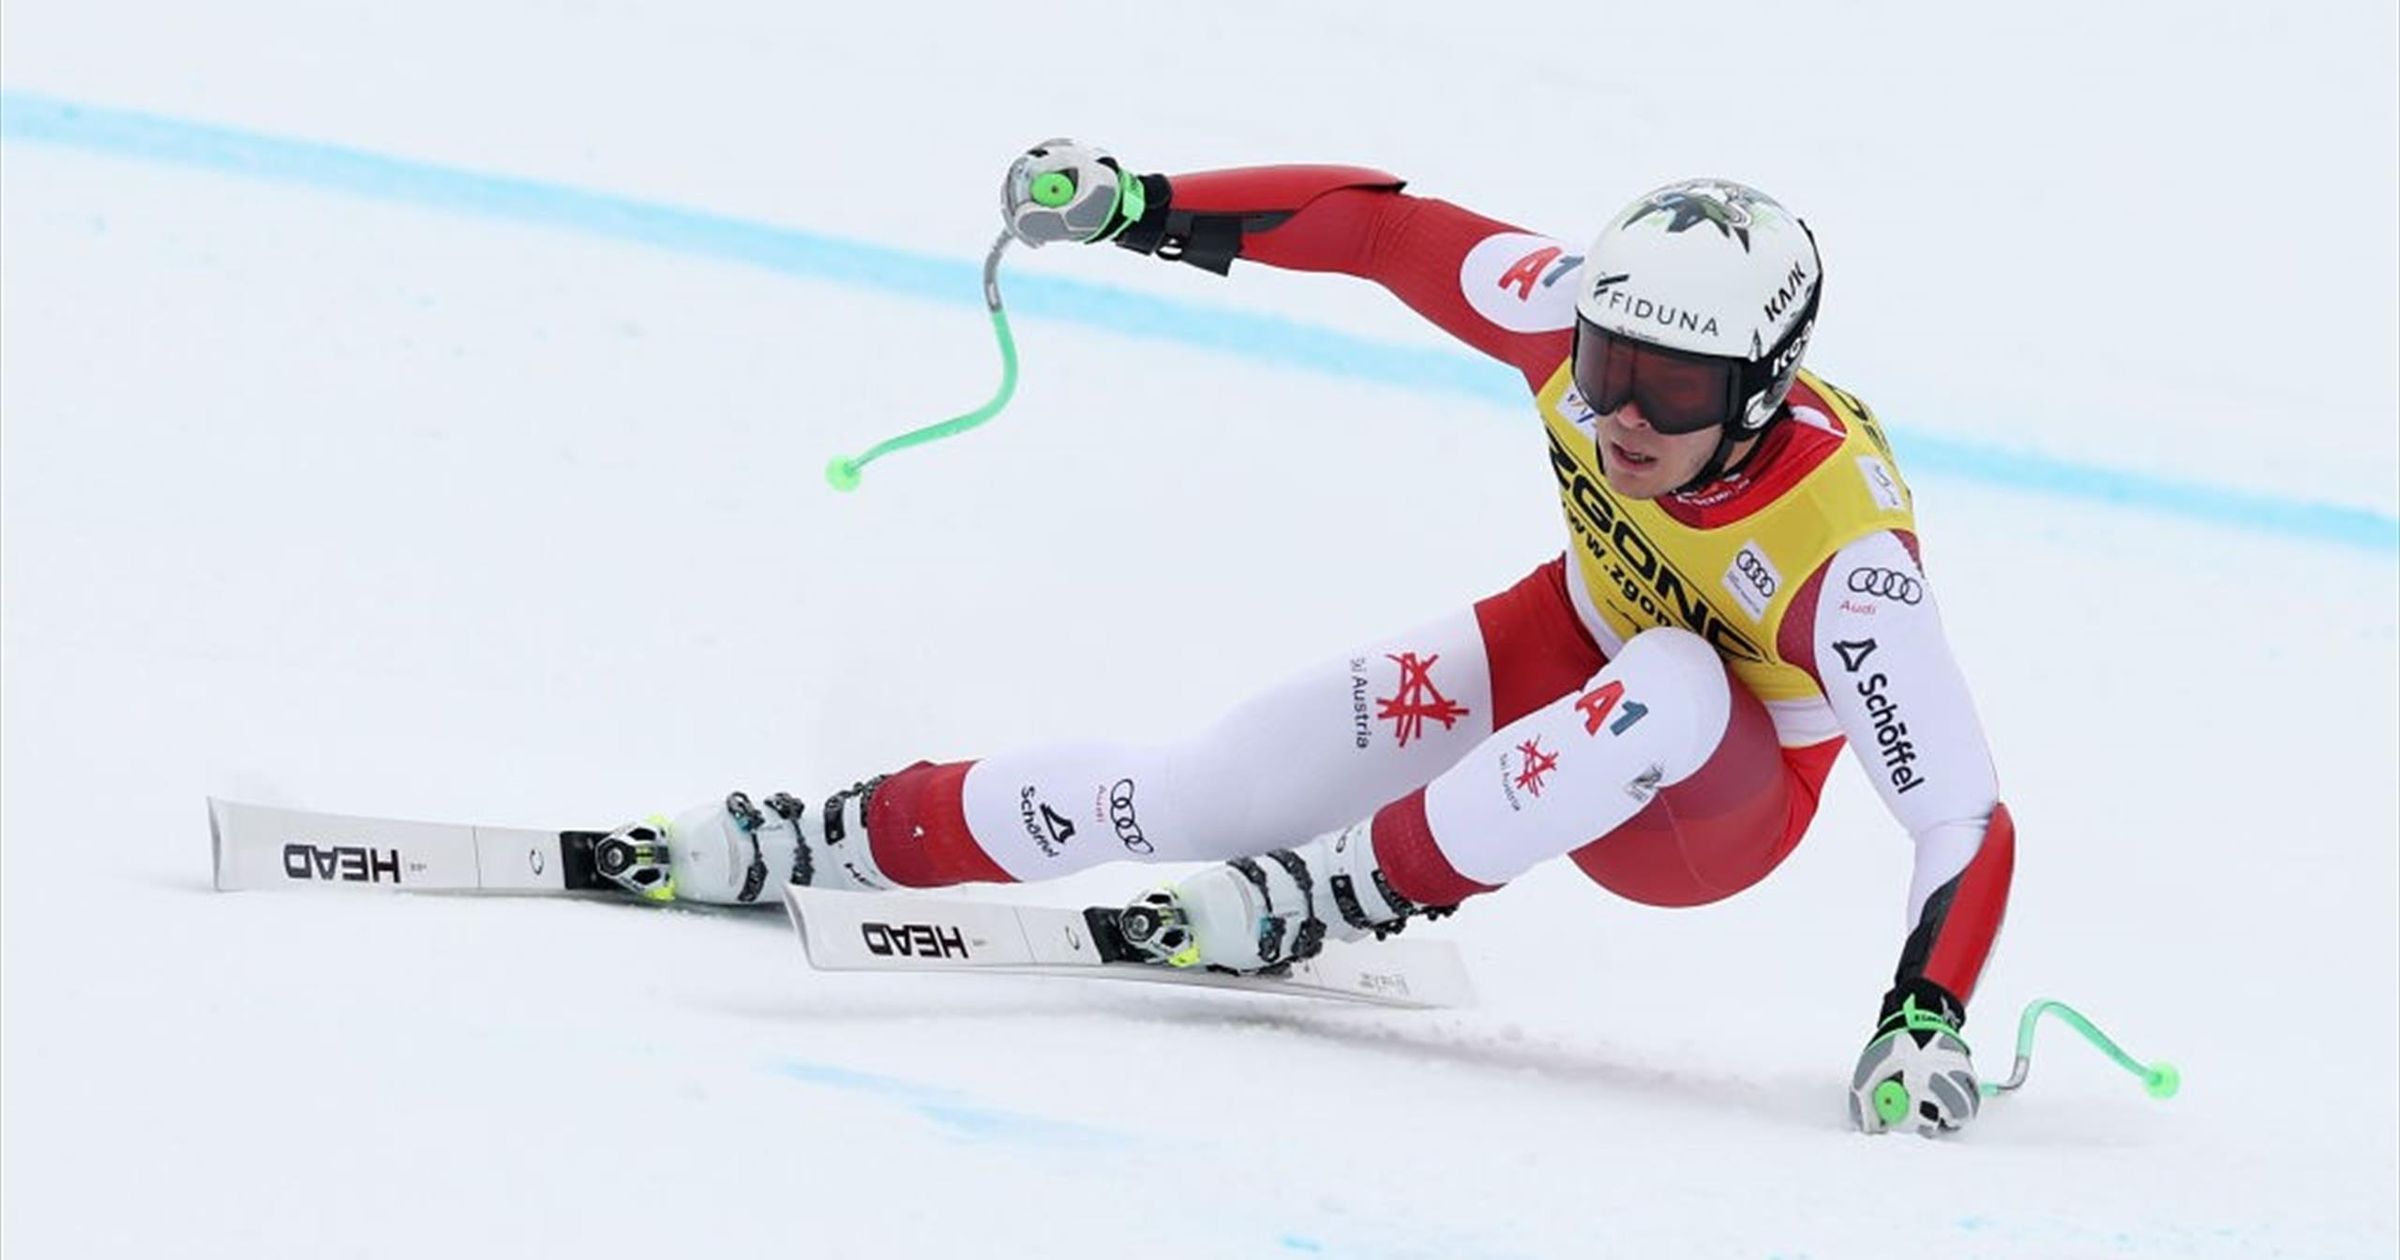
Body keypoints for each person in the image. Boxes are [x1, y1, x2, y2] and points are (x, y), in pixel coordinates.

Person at [609, 140, 2016, 1138]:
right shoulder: (1570, 316)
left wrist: (1925, 1016)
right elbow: (1381, 229)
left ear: (1765, 389)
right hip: (1567, 642)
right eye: (1603, 367)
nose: (1624, 414)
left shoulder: (1847, 563)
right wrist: (1141, 204)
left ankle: (1337, 894)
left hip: (1710, 805)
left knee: (1675, 676)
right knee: (1203, 791)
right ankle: (857, 835)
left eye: (1674, 387)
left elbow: (1958, 809)